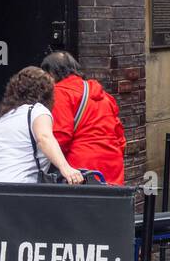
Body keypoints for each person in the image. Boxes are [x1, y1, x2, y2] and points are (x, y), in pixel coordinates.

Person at [0, 67, 83, 184]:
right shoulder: (37, 110)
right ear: (47, 93)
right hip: (14, 185)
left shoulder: (0, 118)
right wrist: (66, 168)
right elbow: (44, 138)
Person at [40, 51, 127, 185]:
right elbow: (120, 136)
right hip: (113, 164)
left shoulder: (60, 93)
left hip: (82, 166)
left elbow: (61, 137)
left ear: (52, 73)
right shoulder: (104, 96)